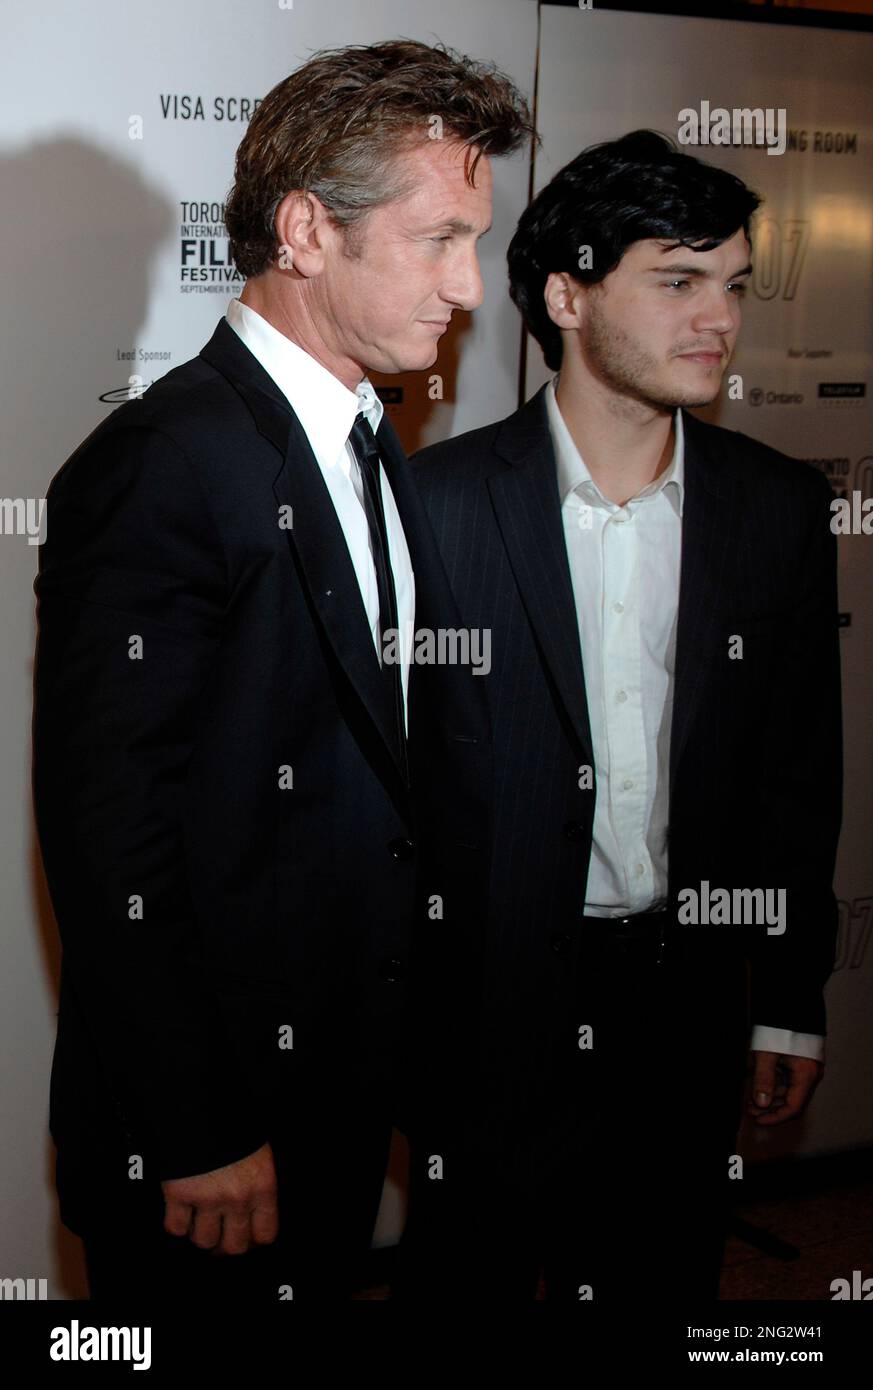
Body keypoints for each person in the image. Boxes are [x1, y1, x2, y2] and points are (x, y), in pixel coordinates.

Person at [32, 38, 532, 1302]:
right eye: (440, 240)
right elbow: (110, 835)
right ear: (308, 229)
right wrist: (196, 1121)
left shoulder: (368, 441)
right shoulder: (163, 463)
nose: (471, 289)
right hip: (210, 1141)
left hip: (338, 1094)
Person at [402, 131, 843, 1302]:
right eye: (678, 279)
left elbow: (798, 780)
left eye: (735, 285)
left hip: (684, 1006)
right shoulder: (433, 511)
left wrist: (789, 1001)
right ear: (568, 293)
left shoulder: (779, 511)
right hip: (487, 1013)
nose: (721, 319)